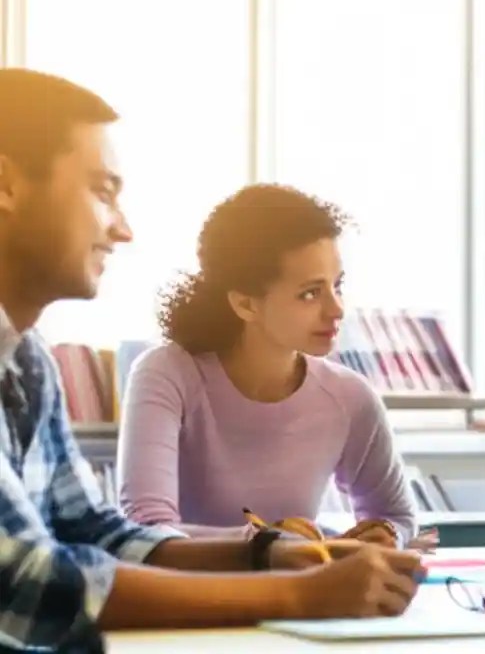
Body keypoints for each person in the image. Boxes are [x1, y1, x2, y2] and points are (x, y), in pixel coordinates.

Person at [0, 68, 422, 650]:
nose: (122, 229)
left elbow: (93, 533)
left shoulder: (26, 360)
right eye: (102, 192)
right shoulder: (164, 370)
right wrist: (304, 594)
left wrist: (277, 553)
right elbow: (28, 584)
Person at [118, 184, 415, 546]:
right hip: (188, 598)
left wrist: (385, 537)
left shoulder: (351, 397)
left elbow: (395, 516)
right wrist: (274, 547)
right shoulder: (166, 374)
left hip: (305, 598)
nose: (336, 309)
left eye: (337, 286)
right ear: (246, 305)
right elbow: (148, 527)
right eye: (310, 293)